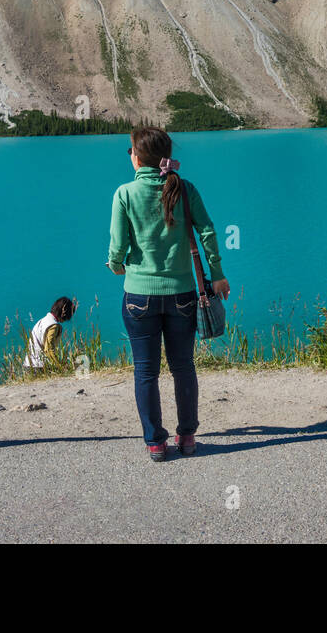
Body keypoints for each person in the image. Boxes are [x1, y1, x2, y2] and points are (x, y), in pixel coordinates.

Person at [108, 127, 230, 462]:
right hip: (182, 294)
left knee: (145, 370)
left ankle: (156, 443)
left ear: (137, 156)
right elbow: (207, 231)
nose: (129, 155)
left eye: (130, 150)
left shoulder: (125, 193)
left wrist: (117, 265)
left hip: (138, 296)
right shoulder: (185, 188)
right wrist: (216, 275)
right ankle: (187, 436)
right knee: (183, 366)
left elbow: (117, 248)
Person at [24, 297, 75, 371]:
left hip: (29, 364)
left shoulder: (42, 321)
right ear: (65, 313)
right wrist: (60, 367)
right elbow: (48, 349)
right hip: (39, 367)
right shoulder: (53, 325)